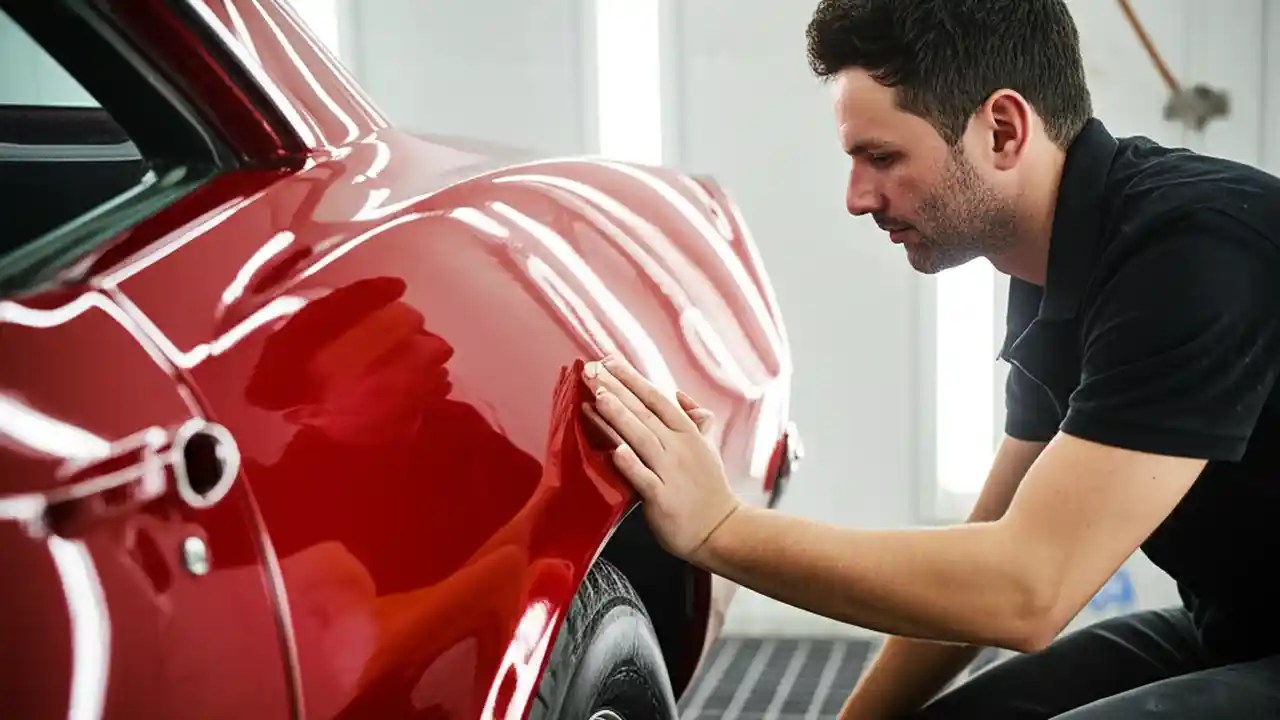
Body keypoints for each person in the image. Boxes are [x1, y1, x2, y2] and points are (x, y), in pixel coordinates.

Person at [578, 0, 1280, 717]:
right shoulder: (1054, 258)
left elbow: (1028, 590)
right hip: (1233, 631)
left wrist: (721, 529)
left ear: (1002, 131)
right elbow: (991, 542)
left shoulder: (1193, 252)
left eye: (881, 158)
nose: (856, 198)